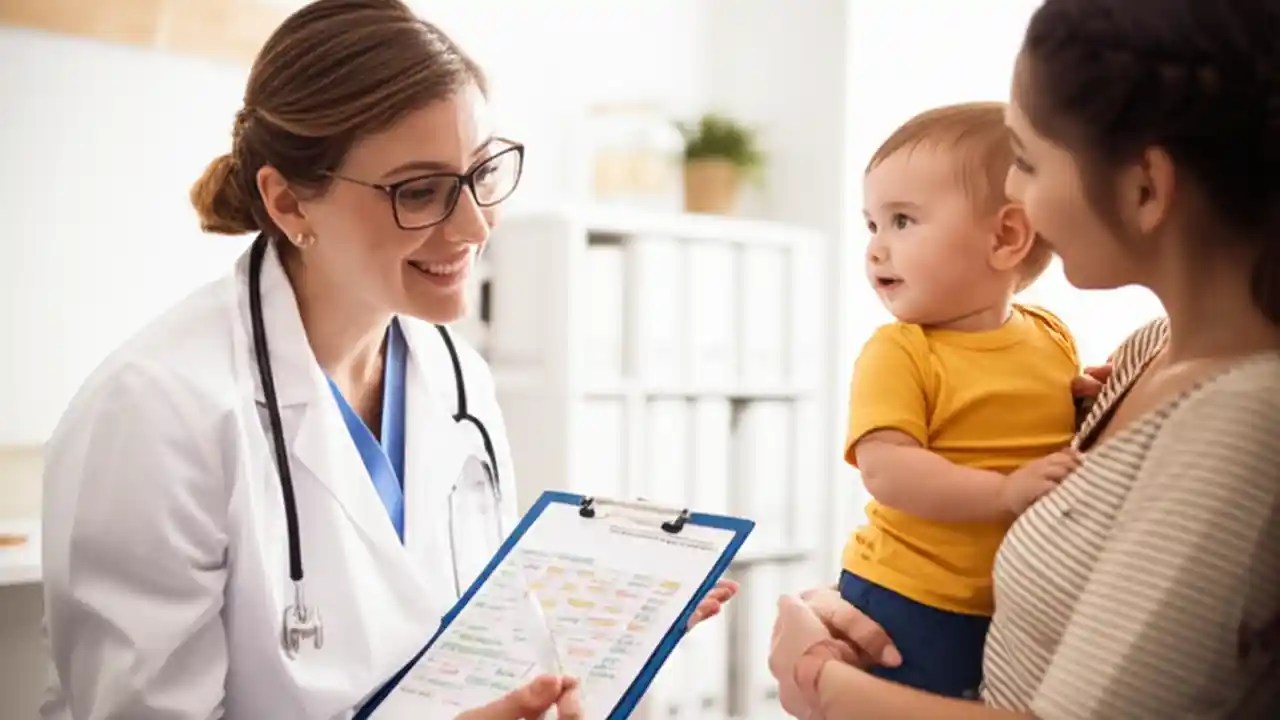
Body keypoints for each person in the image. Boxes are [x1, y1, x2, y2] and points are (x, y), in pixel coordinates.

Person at [39, 1, 733, 718]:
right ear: (289, 204)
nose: (472, 227)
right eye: (419, 191)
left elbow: (464, 651)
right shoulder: (155, 411)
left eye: (481, 173)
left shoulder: (456, 377)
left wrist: (602, 641)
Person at [770, 0, 1280, 717]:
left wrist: (818, 678)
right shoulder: (1142, 354)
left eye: (1027, 159)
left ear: (1144, 187)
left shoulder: (1241, 424)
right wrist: (841, 614)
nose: (1011, 192)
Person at [839, 102, 1081, 698]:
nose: (875, 249)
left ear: (1005, 236)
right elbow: (887, 468)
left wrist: (1083, 398)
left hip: (1010, 604)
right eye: (871, 225)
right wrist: (1001, 492)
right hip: (911, 598)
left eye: (902, 221)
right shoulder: (900, 352)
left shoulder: (1050, 335)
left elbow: (1043, 424)